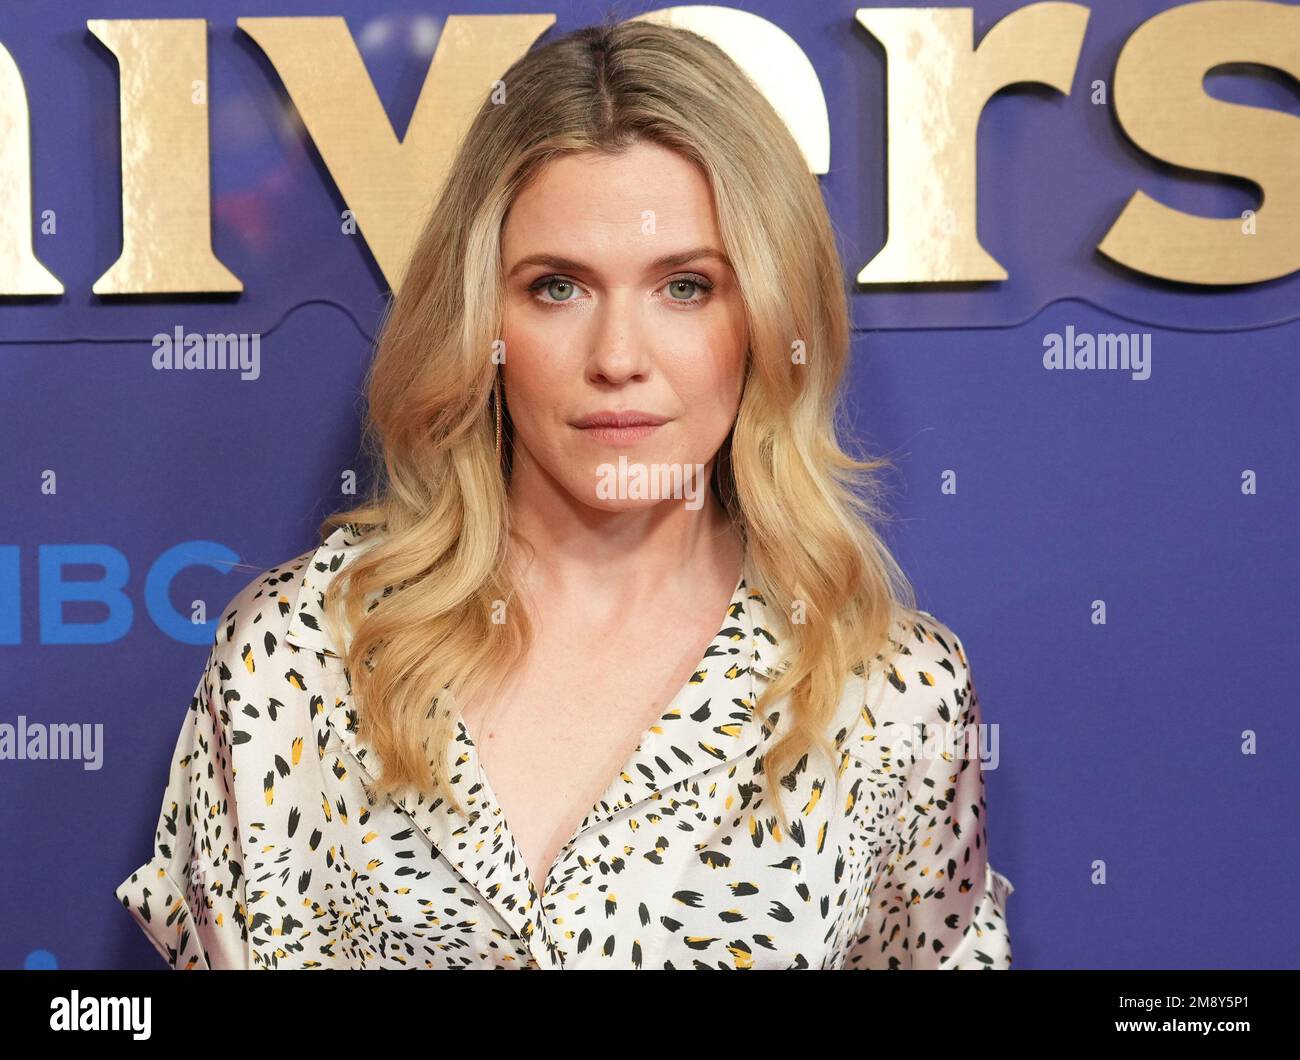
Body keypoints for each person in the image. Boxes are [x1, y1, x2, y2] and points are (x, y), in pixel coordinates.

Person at [114, 16, 1013, 970]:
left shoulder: (890, 694)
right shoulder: (298, 656)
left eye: (685, 288)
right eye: (557, 288)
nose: (617, 359)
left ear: (767, 313)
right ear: (478, 318)